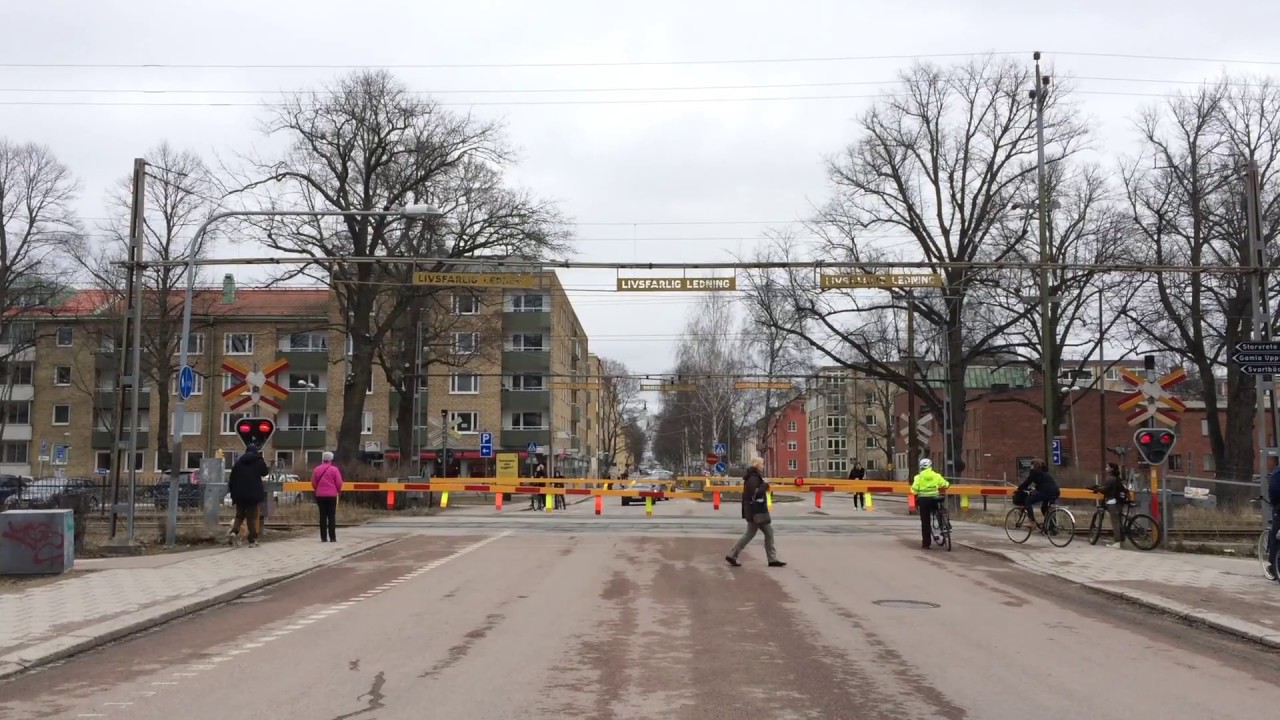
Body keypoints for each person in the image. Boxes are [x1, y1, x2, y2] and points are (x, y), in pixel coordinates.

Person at [725, 457, 786, 568]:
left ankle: (733, 555)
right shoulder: (754, 478)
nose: (763, 466)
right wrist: (765, 485)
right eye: (762, 464)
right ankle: (733, 554)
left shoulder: (752, 477)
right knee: (759, 533)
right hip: (756, 512)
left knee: (762, 533)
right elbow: (756, 494)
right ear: (757, 465)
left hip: (753, 511)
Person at [228, 443, 270, 548]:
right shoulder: (258, 462)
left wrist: (233, 494)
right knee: (251, 517)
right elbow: (265, 472)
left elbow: (231, 480)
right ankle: (252, 540)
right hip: (253, 495)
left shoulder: (238, 464)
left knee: (239, 515)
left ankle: (234, 532)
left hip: (239, 495)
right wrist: (261, 459)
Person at [911, 458, 950, 549]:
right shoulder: (936, 475)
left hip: (923, 500)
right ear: (930, 466)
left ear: (921, 467)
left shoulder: (918, 477)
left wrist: (916, 492)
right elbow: (945, 484)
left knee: (925, 522)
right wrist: (947, 485)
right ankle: (943, 525)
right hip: (934, 499)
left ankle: (926, 544)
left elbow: (914, 490)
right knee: (939, 509)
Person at [1017, 459, 1060, 530]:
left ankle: (1032, 522)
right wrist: (1035, 488)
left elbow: (1027, 482)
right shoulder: (1044, 473)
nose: (1030, 467)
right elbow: (1044, 484)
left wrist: (1019, 488)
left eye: (1031, 465)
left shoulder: (1034, 472)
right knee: (1044, 508)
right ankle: (1052, 528)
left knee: (1028, 501)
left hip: (1046, 491)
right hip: (1055, 492)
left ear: (1034, 466)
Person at [311, 451, 344, 543]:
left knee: (322, 516)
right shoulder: (334, 470)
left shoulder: (317, 469)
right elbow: (339, 483)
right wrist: (337, 490)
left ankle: (323, 538)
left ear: (323, 459)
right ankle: (332, 537)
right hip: (332, 495)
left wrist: (318, 489)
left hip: (320, 495)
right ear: (331, 459)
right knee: (331, 516)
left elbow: (313, 482)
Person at [1094, 462, 1129, 548]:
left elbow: (1105, 489)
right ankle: (1122, 541)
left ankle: (1117, 542)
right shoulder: (1117, 479)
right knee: (1119, 521)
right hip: (1119, 502)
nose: (1106, 468)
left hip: (1113, 502)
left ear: (1111, 469)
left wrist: (1096, 488)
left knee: (1115, 522)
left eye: (1107, 467)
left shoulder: (1110, 479)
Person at [1267, 464, 1280, 578]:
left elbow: (1274, 490)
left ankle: (1275, 567)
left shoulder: (1278, 472)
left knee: (1276, 534)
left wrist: (1274, 503)